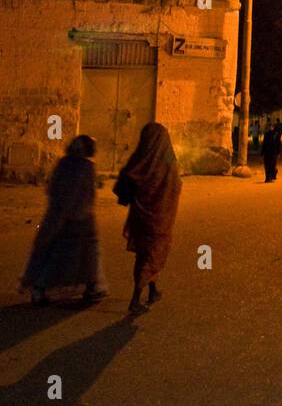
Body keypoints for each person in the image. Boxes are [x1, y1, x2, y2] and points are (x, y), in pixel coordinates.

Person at [19, 135, 107, 306]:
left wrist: (58, 211)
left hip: (56, 215)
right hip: (80, 219)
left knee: (51, 253)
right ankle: (92, 287)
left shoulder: (63, 164)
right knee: (86, 256)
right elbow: (85, 193)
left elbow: (52, 188)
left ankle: (39, 289)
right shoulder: (87, 167)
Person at [114, 123, 182, 314]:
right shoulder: (168, 158)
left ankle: (152, 290)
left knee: (147, 253)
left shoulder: (140, 157)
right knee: (150, 255)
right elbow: (176, 183)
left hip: (141, 216)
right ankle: (135, 299)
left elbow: (127, 178)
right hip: (160, 217)